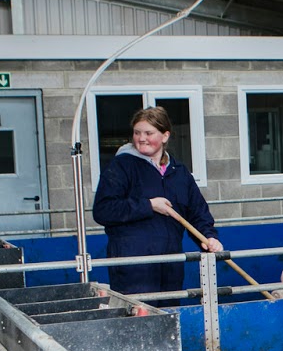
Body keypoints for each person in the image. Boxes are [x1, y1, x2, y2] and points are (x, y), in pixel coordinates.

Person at [92, 106, 221, 299]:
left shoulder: (179, 172)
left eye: (148, 133)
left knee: (168, 318)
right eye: (137, 132)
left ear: (165, 136)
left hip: (170, 263)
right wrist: (149, 205)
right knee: (139, 320)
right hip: (133, 266)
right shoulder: (121, 167)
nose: (141, 138)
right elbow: (103, 210)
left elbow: (197, 211)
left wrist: (209, 237)